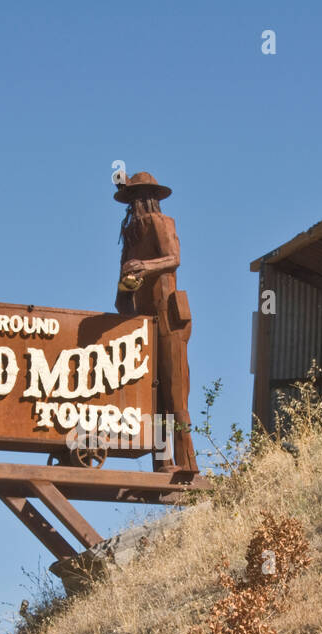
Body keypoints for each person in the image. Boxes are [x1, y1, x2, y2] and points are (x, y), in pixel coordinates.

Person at [113, 172, 198, 473]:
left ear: (151, 198)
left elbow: (173, 258)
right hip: (144, 323)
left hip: (168, 317)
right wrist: (125, 290)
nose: (136, 205)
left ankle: (188, 462)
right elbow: (124, 286)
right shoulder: (131, 239)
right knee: (154, 393)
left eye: (140, 198)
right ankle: (163, 461)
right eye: (132, 199)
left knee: (175, 391)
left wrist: (144, 266)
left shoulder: (163, 223)